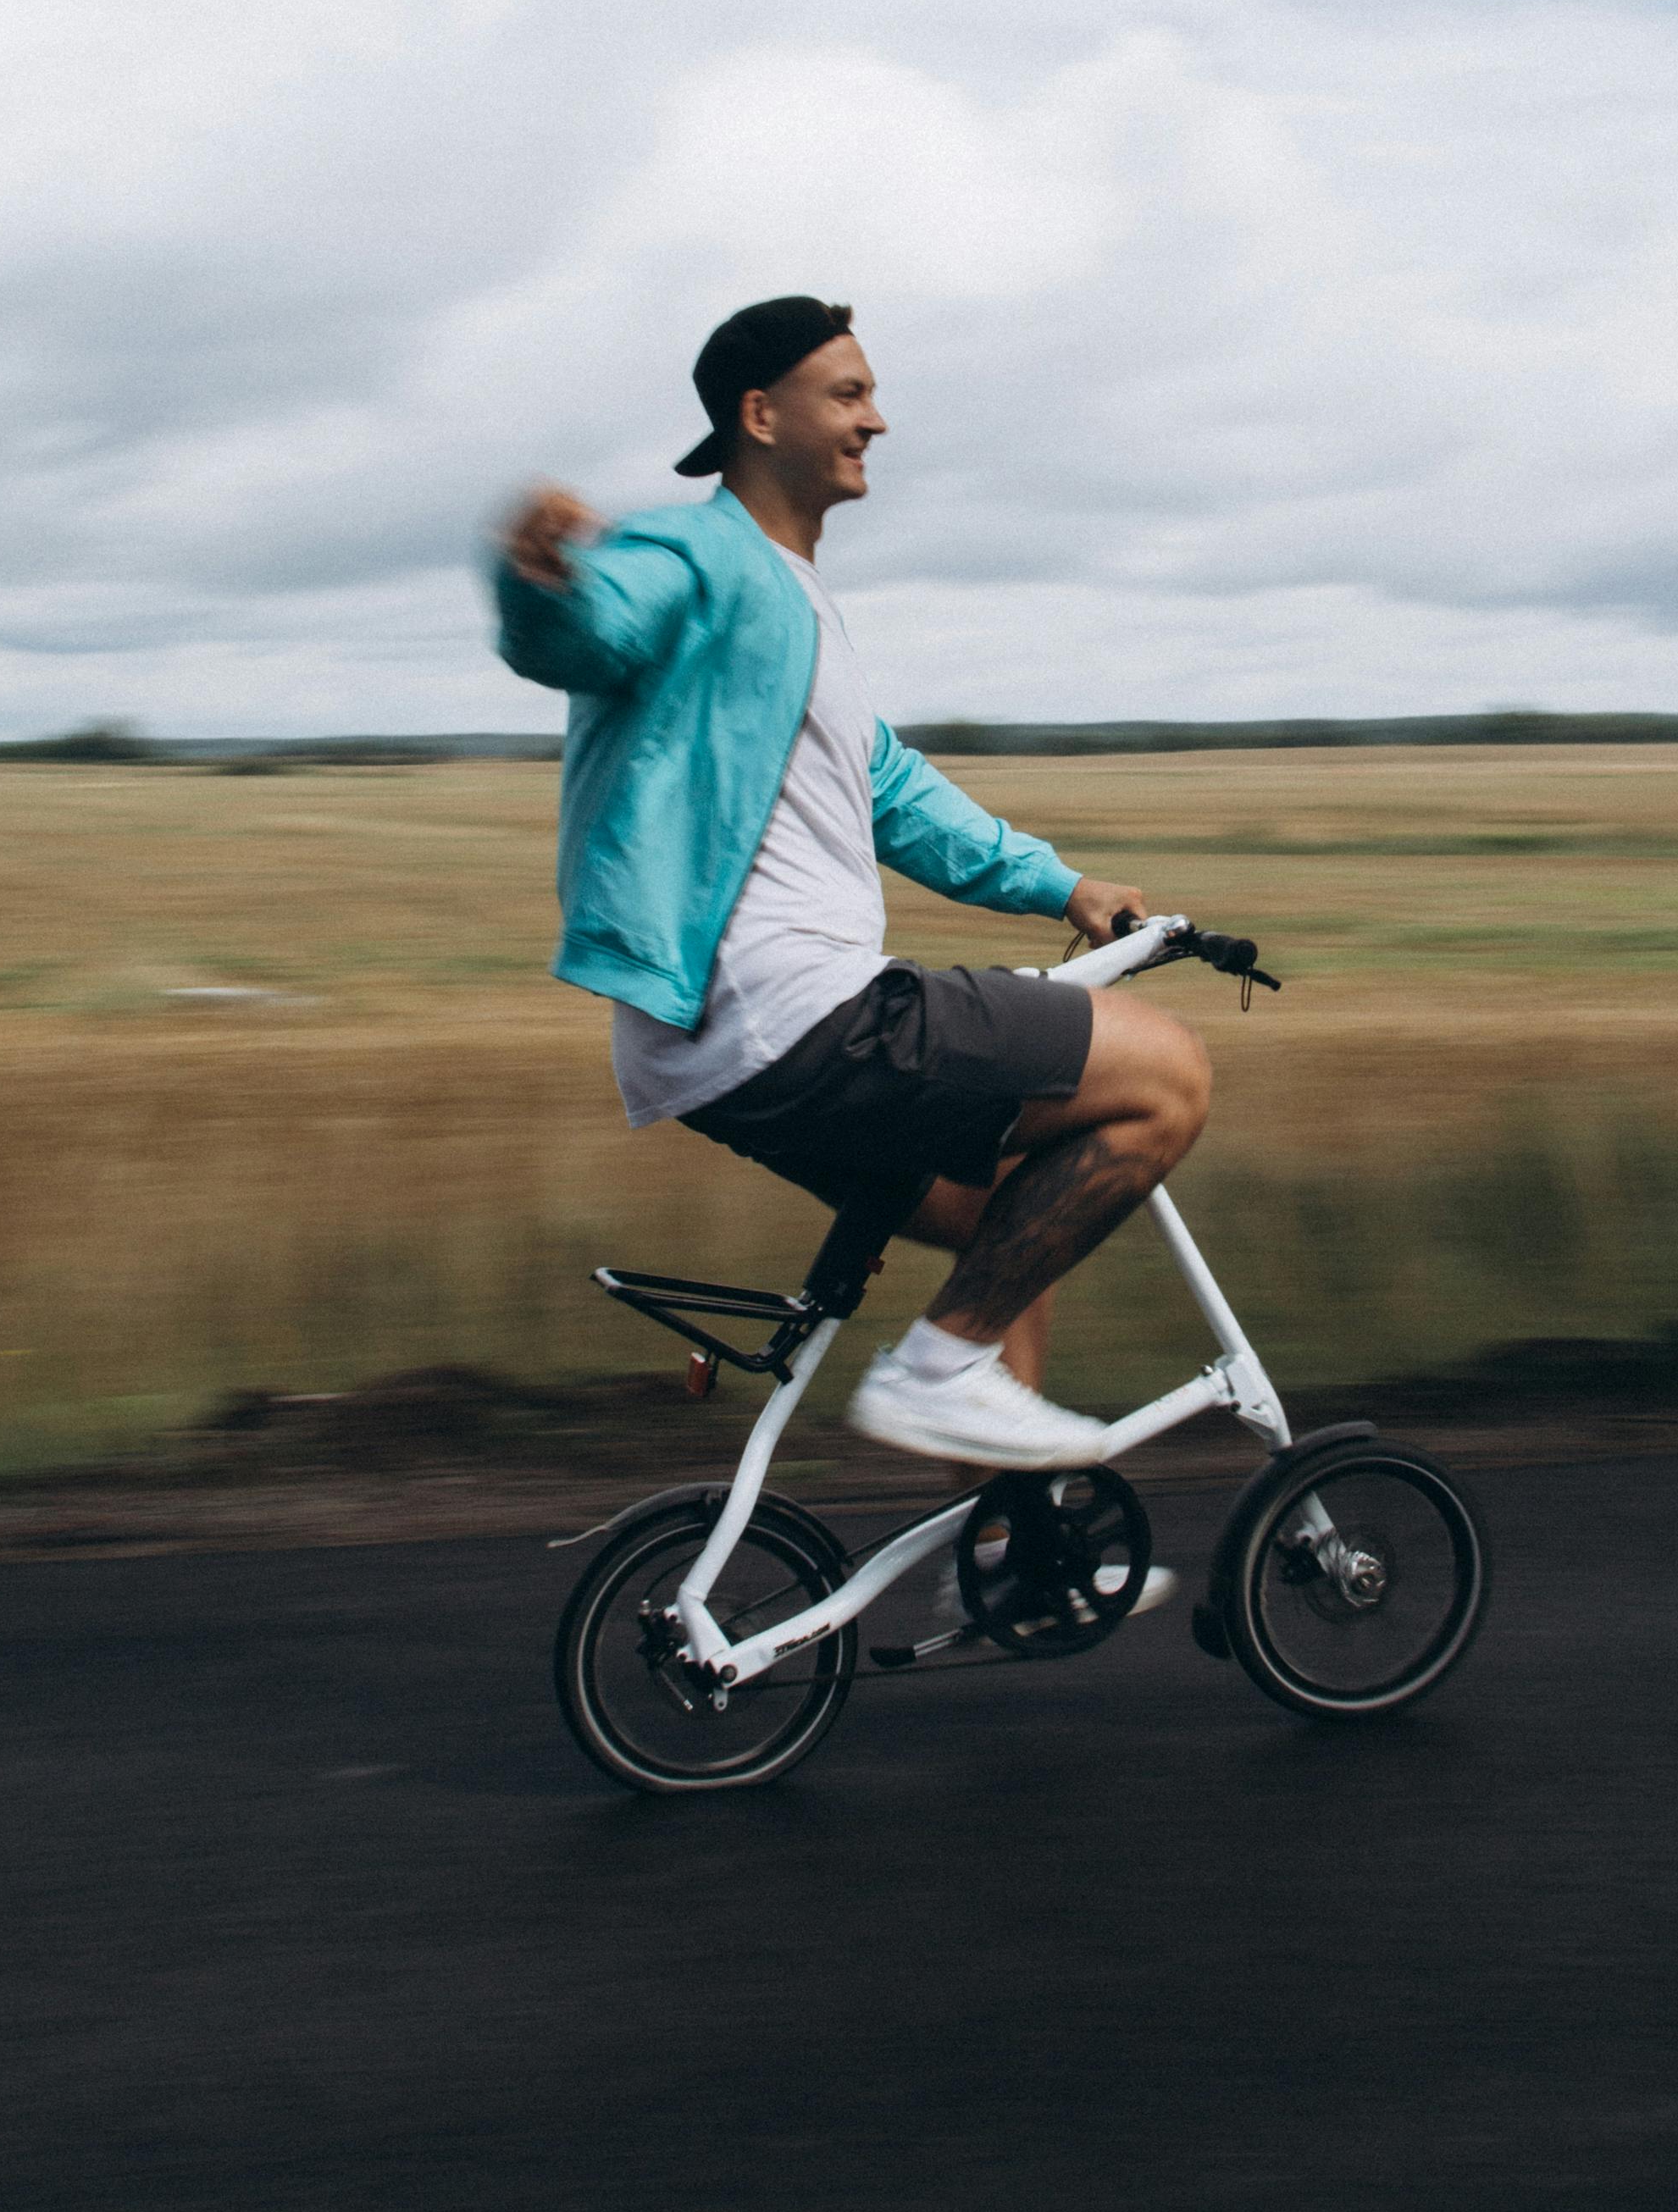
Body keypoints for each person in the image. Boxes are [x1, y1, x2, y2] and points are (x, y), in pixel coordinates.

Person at [486, 294, 1214, 1498]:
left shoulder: (796, 601)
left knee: (1003, 1231)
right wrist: (542, 582)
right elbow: (588, 635)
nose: (877, 419)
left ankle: (1010, 1553)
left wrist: (1065, 886)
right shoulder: (696, 554)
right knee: (1169, 1076)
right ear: (761, 415)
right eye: (849, 393)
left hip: (730, 1049)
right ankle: (937, 1372)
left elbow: (891, 794)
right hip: (792, 1004)